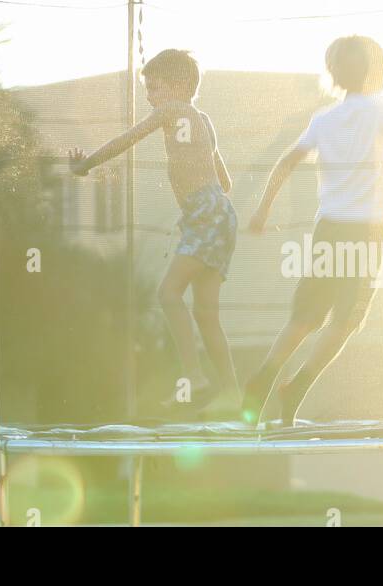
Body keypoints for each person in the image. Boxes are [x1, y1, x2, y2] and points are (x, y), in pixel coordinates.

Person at [244, 35, 383, 427]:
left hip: (328, 228)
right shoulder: (382, 107)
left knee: (307, 316)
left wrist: (263, 208)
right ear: (377, 71)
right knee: (347, 320)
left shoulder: (324, 118)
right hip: (366, 233)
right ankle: (297, 386)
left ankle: (262, 379)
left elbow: (287, 161)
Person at [69, 49, 240, 414]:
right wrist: (197, 184)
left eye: (155, 87)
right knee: (206, 315)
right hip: (221, 213)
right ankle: (231, 392)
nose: (150, 96)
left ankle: (195, 378)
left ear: (178, 86)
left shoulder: (170, 110)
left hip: (205, 213)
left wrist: (87, 163)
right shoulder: (203, 119)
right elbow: (224, 181)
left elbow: (127, 139)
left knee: (168, 294)